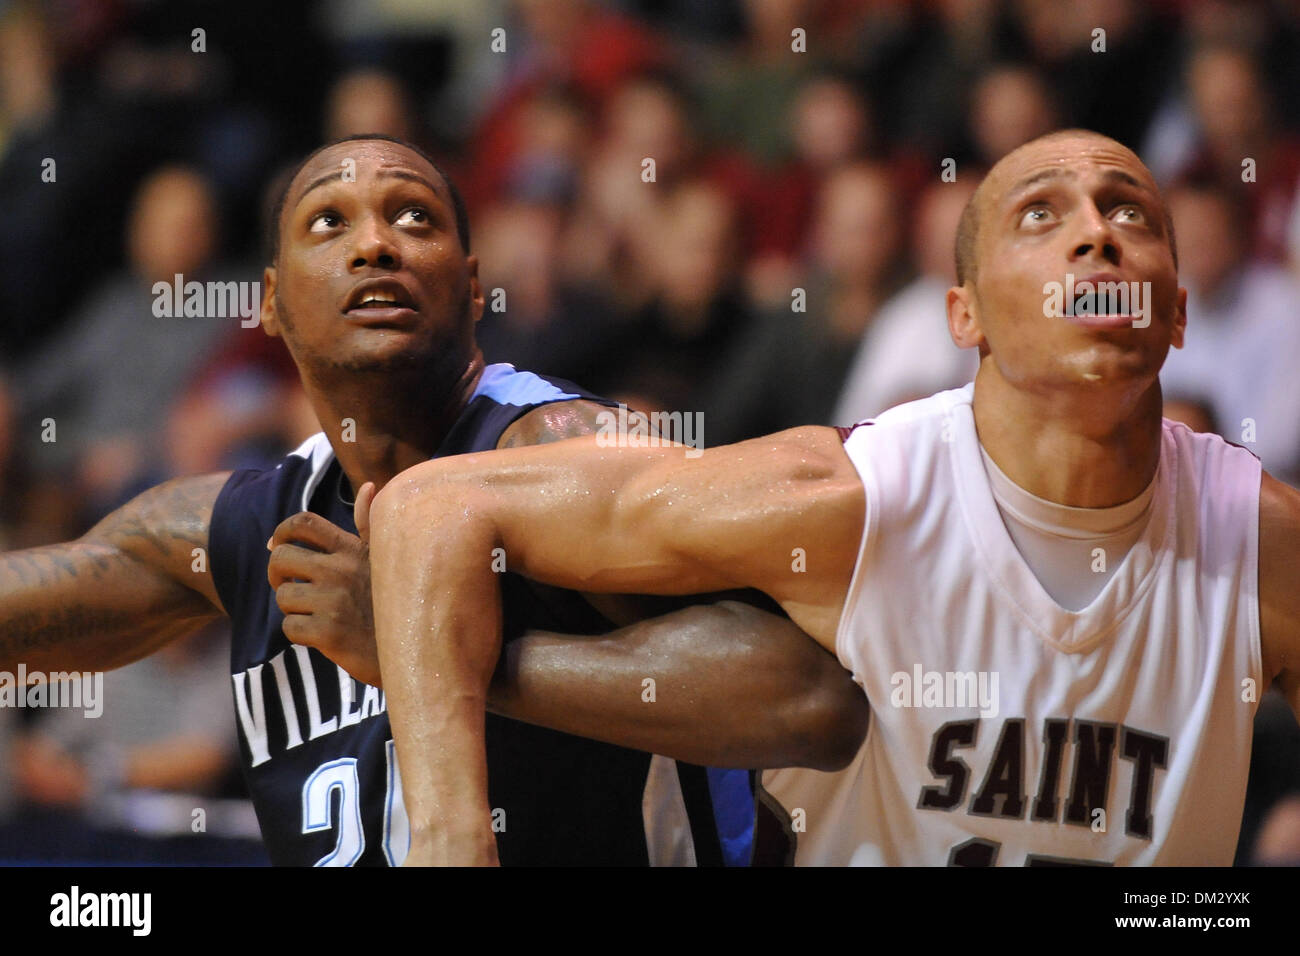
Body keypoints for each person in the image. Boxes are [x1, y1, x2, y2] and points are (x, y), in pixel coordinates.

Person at [366, 128, 1300, 866]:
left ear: (1177, 311)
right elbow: (430, 508)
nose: (1097, 233)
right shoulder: (850, 498)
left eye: (1129, 214)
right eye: (1043, 215)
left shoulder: (1256, 536)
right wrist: (452, 841)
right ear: (963, 314)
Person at [0, 134, 868, 866]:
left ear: (473, 283)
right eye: (328, 222)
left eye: (414, 217)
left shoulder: (564, 453)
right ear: (269, 304)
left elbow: (811, 704)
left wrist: (441, 656)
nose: (375, 244)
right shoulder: (248, 522)